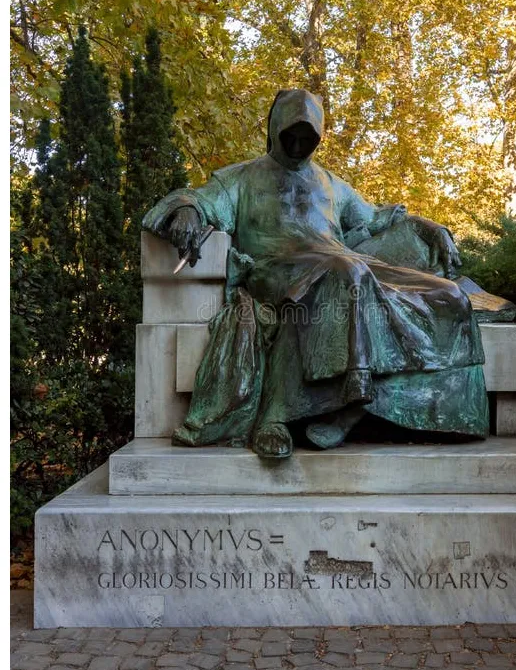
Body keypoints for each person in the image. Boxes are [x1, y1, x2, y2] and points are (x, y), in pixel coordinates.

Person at [143, 88, 489, 457]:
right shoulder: (239, 179)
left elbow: (376, 218)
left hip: (339, 264)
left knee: (448, 294)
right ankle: (344, 399)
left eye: (306, 138)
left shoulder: (331, 184)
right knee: (346, 271)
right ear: (274, 129)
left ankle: (438, 413)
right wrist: (185, 212)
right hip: (274, 269)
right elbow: (196, 199)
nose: (297, 144)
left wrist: (429, 228)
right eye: (290, 134)